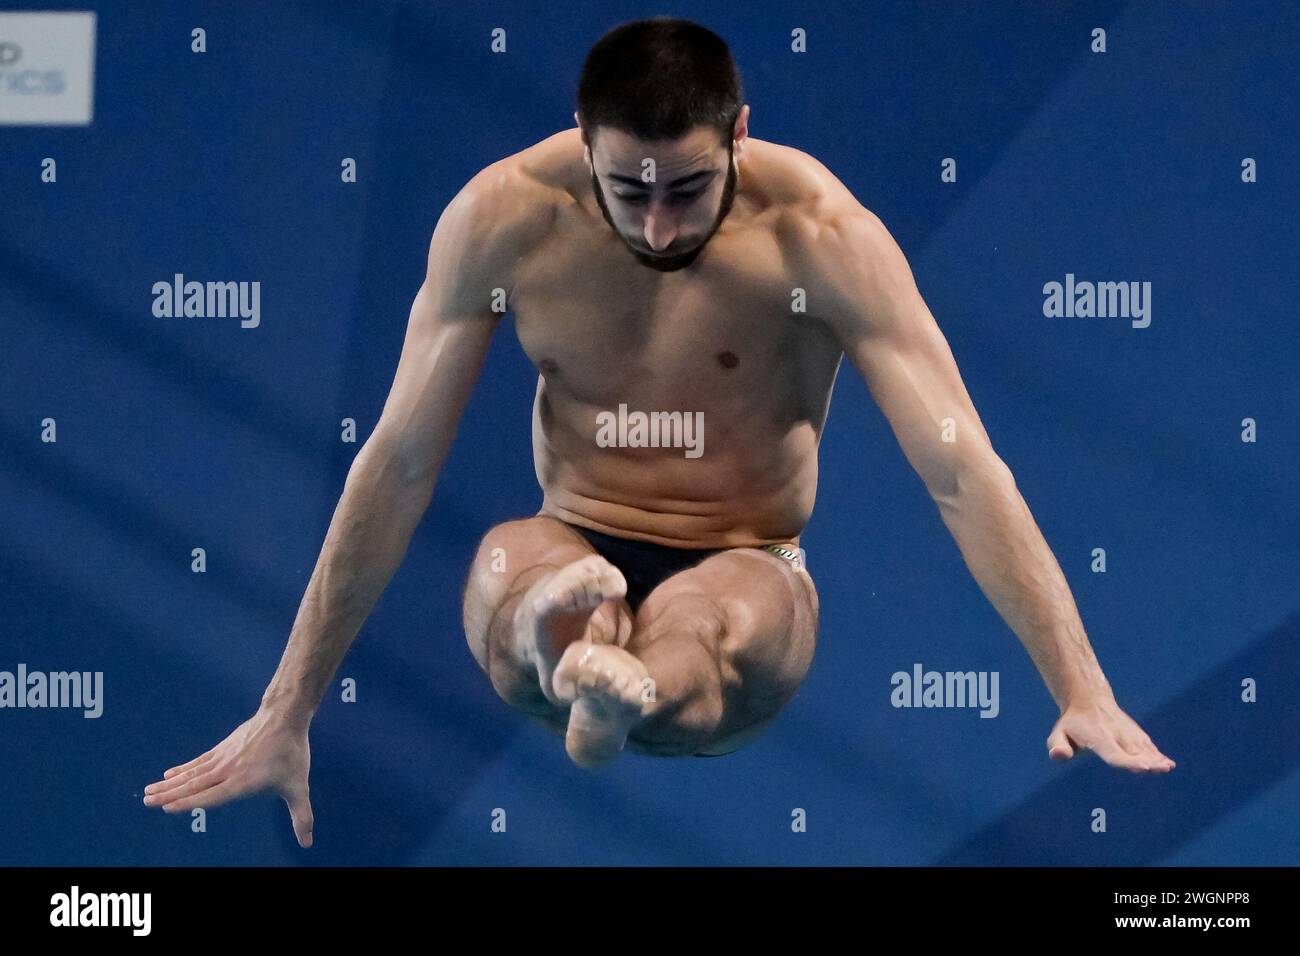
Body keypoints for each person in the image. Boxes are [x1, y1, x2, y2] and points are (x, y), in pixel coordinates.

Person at [144, 17, 1174, 849]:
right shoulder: (503, 220)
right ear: (582, 138)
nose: (659, 227)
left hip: (744, 552)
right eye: (626, 189)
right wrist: (287, 708)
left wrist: (1079, 684)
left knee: (717, 622)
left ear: (737, 133)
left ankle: (613, 686)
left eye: (687, 189)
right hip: (575, 531)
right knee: (507, 564)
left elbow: (958, 465)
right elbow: (401, 459)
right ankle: (571, 643)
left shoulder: (821, 238)